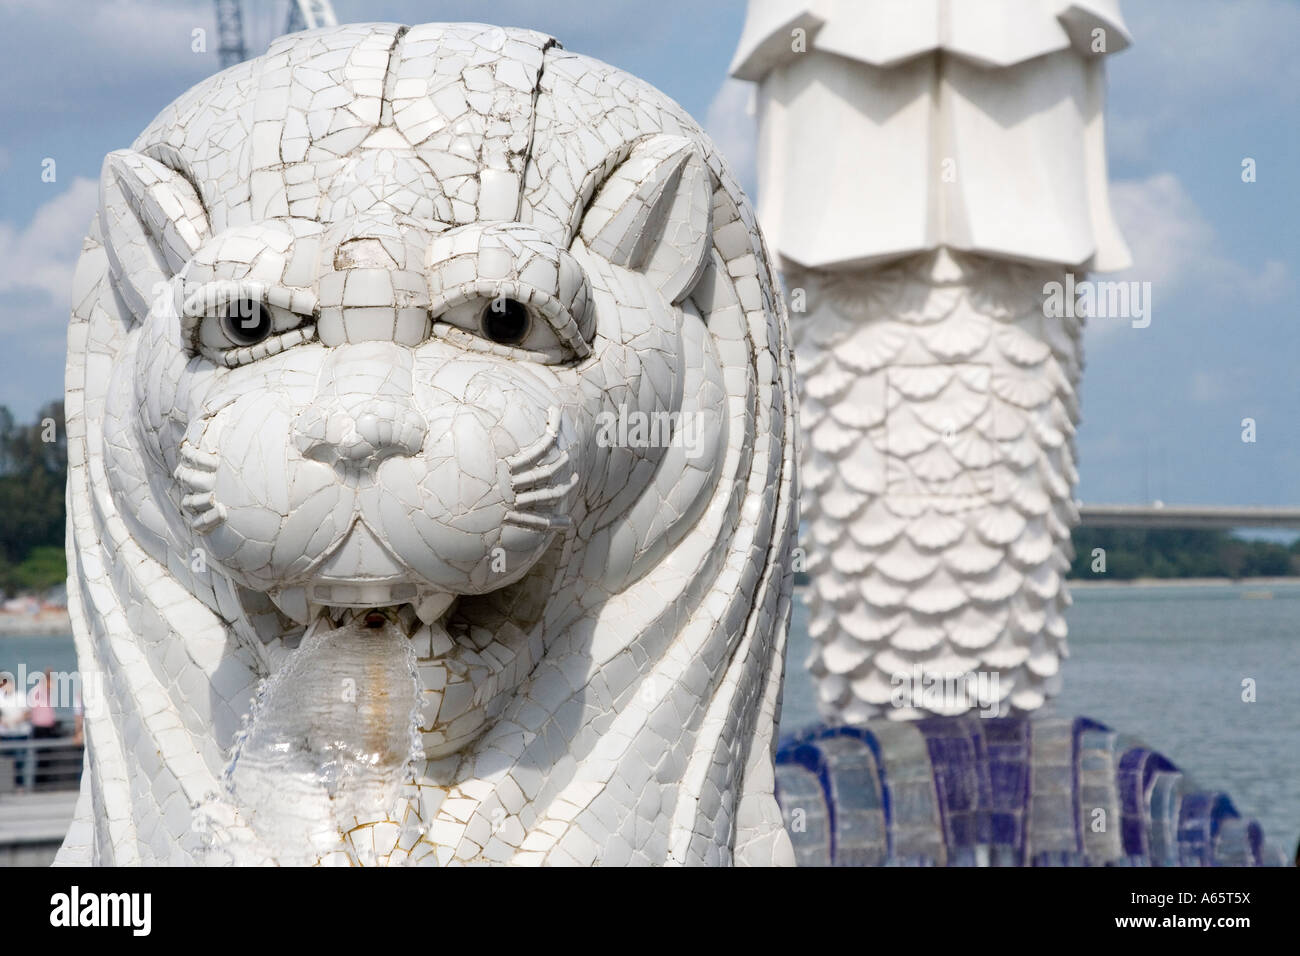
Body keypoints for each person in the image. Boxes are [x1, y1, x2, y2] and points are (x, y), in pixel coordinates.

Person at [0, 674, 32, 790]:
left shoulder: (20, 696)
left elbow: (28, 713)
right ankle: (7, 786)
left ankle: (19, 786)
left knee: (19, 761)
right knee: (6, 761)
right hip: (5, 735)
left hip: (20, 734)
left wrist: (15, 721)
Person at [28, 670, 59, 786]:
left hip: (48, 728)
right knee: (41, 757)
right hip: (40, 729)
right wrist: (48, 674)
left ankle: (45, 783)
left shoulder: (47, 693)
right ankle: (39, 784)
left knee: (47, 758)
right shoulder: (37, 691)